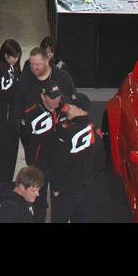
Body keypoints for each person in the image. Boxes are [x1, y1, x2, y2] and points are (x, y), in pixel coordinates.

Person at [14, 45, 75, 216]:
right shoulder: (25, 80)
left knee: (59, 195)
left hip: (60, 155)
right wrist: (27, 144)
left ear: (47, 60)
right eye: (31, 64)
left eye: (38, 64)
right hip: (37, 155)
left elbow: (73, 106)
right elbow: (18, 112)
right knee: (38, 198)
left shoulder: (62, 78)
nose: (34, 68)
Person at [49, 92, 102, 223]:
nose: (66, 108)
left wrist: (55, 187)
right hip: (87, 190)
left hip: (66, 191)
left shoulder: (66, 131)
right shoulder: (97, 132)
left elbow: (58, 163)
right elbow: (100, 163)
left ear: (79, 110)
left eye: (70, 106)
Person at [0, 39, 22, 184]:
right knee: (3, 148)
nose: (16, 60)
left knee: (13, 148)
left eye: (17, 57)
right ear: (5, 55)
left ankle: (7, 180)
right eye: (13, 56)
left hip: (14, 113)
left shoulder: (14, 68)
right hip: (4, 114)